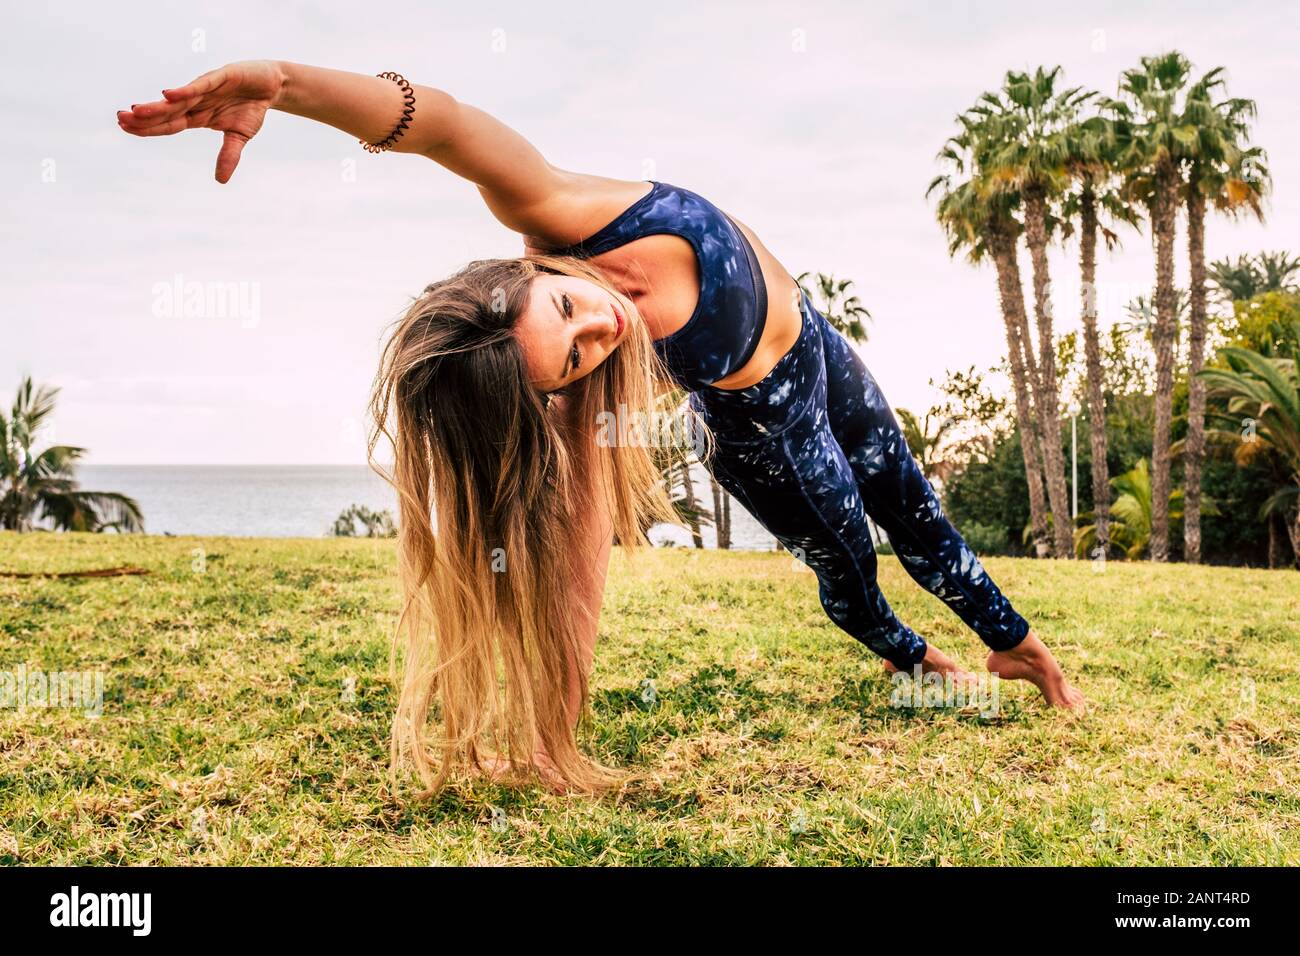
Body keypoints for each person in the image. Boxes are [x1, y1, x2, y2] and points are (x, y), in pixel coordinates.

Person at [117, 60, 1084, 795]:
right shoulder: (589, 397)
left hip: (818, 343)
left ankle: (1015, 646)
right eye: (575, 357)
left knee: (918, 509)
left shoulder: (558, 209)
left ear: (524, 272)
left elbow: (435, 126)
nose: (601, 328)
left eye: (566, 312)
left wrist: (282, 86)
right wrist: (554, 736)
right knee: (851, 564)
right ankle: (911, 655)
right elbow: (577, 559)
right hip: (764, 426)